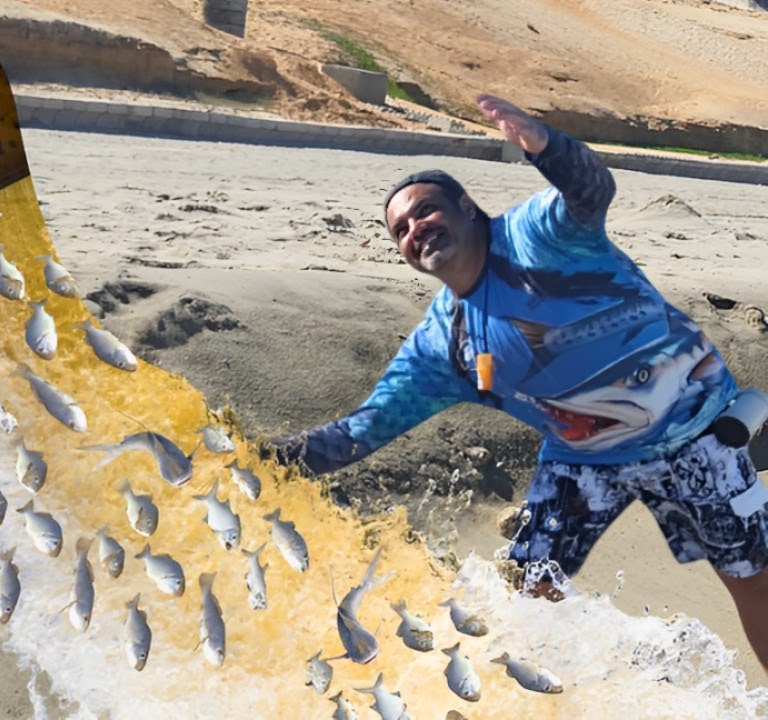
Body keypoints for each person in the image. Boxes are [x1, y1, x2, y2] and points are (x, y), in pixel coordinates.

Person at [264, 94, 768, 672]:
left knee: (750, 577)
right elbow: (359, 433)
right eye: (400, 229)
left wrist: (546, 146)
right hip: (582, 458)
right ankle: (598, 679)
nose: (415, 230)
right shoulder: (442, 344)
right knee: (527, 593)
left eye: (425, 211)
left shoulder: (537, 235)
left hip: (694, 425)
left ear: (466, 205)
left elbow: (592, 191)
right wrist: (250, 456)